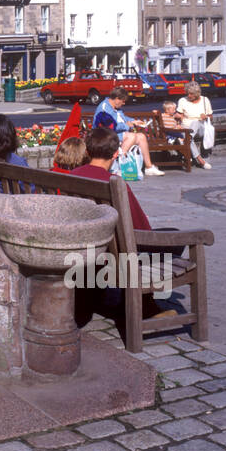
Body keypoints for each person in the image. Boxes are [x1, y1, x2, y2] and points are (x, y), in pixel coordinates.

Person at [70, 127, 180, 320]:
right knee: (174, 237)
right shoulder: (115, 183)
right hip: (111, 258)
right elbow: (141, 229)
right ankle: (146, 305)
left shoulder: (72, 175)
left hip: (81, 250)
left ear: (87, 151)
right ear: (115, 153)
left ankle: (92, 294)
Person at [93, 88, 164, 176]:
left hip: (115, 134)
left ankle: (149, 167)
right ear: (117, 98)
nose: (124, 103)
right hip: (104, 135)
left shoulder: (116, 107)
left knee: (141, 136)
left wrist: (134, 121)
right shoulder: (104, 108)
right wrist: (127, 125)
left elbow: (123, 119)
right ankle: (119, 167)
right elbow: (109, 127)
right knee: (131, 136)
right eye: (123, 101)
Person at [176, 82, 213, 169]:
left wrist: (206, 117)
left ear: (197, 93)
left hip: (201, 127)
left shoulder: (205, 100)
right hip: (186, 128)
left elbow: (211, 117)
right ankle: (201, 161)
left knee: (195, 123)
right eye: (187, 93)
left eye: (191, 94)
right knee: (187, 136)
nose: (189, 95)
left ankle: (187, 138)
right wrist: (177, 116)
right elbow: (178, 115)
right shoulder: (182, 100)